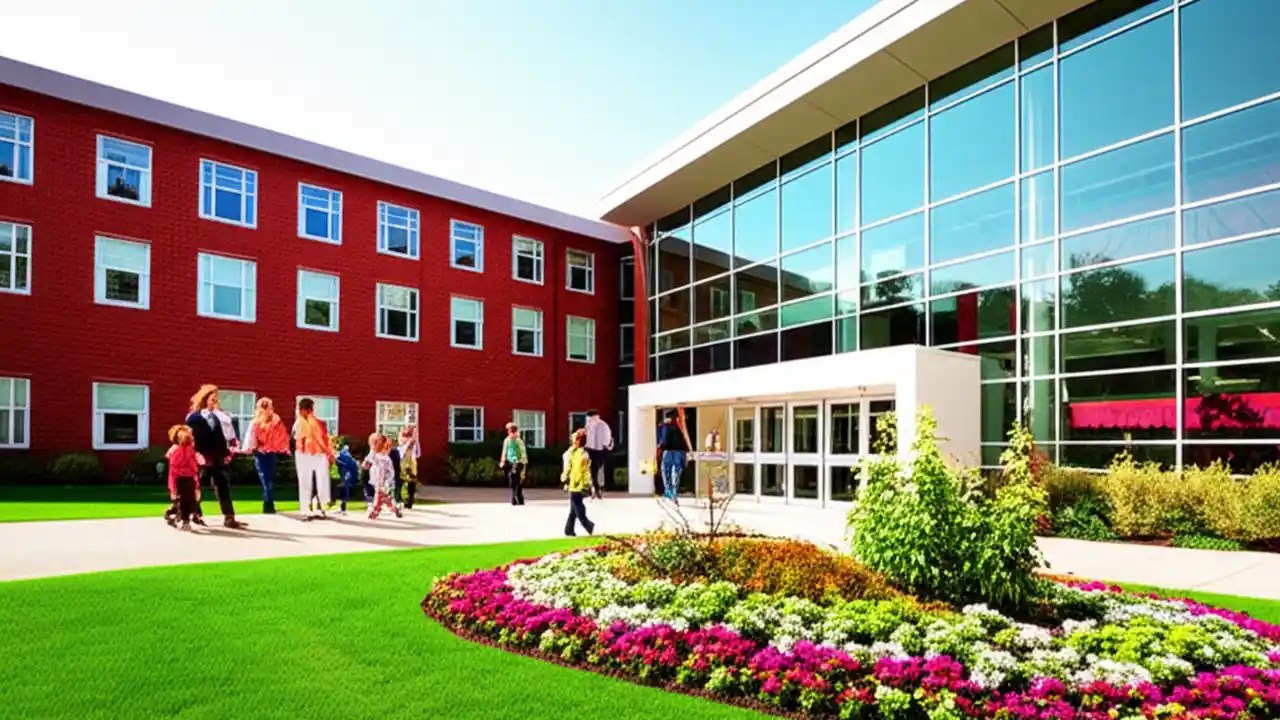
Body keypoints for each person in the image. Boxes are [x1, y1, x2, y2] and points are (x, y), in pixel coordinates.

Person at [185, 384, 246, 529]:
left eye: (216, 400)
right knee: (196, 487)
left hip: (218, 456)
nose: (215, 402)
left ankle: (229, 517)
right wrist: (196, 455)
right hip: (202, 457)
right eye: (212, 399)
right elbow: (191, 440)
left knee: (223, 486)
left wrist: (227, 452)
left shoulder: (218, 417)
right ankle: (192, 514)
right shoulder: (194, 418)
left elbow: (223, 436)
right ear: (205, 399)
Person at [240, 397, 290, 514]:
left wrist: (283, 448)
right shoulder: (256, 423)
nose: (271, 410)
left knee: (269, 478)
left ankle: (268, 502)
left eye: (271, 407)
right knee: (265, 477)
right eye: (268, 407)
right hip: (261, 453)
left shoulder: (276, 421)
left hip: (271, 453)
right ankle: (269, 502)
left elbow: (281, 436)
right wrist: (249, 448)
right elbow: (250, 437)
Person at [292, 397, 335, 520]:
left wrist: (328, 453)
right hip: (306, 454)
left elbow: (323, 440)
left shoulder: (315, 423)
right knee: (309, 482)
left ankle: (318, 507)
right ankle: (308, 508)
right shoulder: (301, 423)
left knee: (319, 482)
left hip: (315, 454)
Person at [163, 425, 202, 531]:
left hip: (186, 477)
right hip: (182, 478)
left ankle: (176, 513)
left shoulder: (186, 450)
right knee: (186, 499)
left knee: (186, 499)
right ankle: (184, 519)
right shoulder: (180, 449)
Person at [561, 429, 595, 536]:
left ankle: (586, 525)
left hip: (575, 483)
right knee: (575, 507)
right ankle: (570, 529)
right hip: (578, 483)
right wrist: (589, 484)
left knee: (577, 506)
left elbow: (568, 468)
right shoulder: (583, 453)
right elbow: (587, 471)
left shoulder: (574, 453)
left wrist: (564, 478)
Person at [656, 410, 690, 504]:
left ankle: (669, 492)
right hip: (679, 451)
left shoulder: (664, 426)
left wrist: (660, 448)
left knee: (666, 471)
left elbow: (661, 439)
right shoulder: (682, 425)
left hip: (668, 451)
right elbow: (685, 437)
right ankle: (673, 493)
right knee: (676, 473)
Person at [366, 433, 401, 520]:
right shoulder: (380, 457)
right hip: (379, 481)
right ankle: (394, 508)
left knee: (378, 497)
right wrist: (373, 449)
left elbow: (390, 472)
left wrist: (387, 482)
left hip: (382, 482)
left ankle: (375, 511)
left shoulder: (384, 459)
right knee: (383, 497)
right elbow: (370, 458)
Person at [583, 410, 614, 500]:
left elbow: (585, 438)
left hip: (590, 450)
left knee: (591, 471)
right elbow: (607, 440)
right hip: (601, 450)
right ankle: (597, 488)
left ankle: (594, 488)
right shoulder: (604, 425)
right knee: (597, 470)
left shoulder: (588, 424)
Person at [498, 422, 528, 506]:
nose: (511, 434)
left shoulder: (519, 441)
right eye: (510, 432)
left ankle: (516, 499)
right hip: (510, 462)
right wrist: (502, 461)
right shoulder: (507, 440)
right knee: (512, 481)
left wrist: (524, 464)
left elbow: (523, 452)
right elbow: (504, 451)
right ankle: (517, 497)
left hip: (518, 462)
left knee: (517, 481)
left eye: (513, 432)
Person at [334, 444, 361, 516]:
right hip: (347, 475)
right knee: (345, 490)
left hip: (346, 475)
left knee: (345, 490)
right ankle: (342, 508)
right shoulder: (346, 456)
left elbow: (340, 462)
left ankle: (343, 509)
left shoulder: (342, 456)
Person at [398, 425, 420, 508]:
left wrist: (415, 439)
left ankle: (409, 500)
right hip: (404, 463)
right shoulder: (404, 446)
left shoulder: (413, 445)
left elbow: (418, 453)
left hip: (411, 464)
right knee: (401, 482)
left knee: (411, 483)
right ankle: (400, 499)